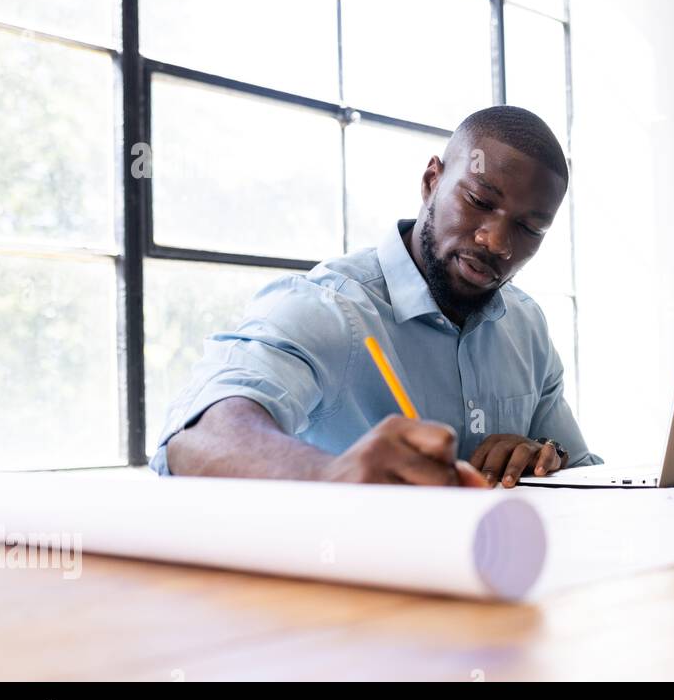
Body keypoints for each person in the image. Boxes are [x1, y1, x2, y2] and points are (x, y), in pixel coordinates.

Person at [152, 105, 600, 488]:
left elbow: (588, 478)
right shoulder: (328, 308)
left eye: (528, 229)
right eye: (480, 202)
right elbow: (197, 438)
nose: (498, 242)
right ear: (431, 182)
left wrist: (545, 458)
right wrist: (331, 477)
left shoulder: (527, 327)